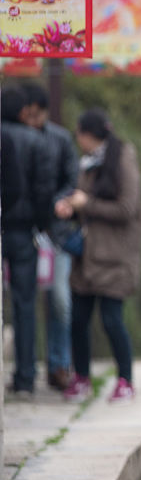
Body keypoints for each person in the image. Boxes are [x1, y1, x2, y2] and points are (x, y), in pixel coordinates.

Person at [55, 108, 141, 404]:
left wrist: (86, 203)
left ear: (88, 135)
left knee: (112, 319)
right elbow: (84, 200)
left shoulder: (122, 158)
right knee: (78, 319)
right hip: (87, 256)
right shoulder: (87, 162)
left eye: (79, 134)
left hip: (114, 257)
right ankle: (81, 378)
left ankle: (126, 381)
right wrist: (71, 207)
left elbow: (128, 208)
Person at [22, 82, 78, 391]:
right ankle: (29, 366)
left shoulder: (61, 139)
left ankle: (59, 364)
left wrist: (60, 201)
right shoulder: (15, 136)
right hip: (24, 231)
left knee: (59, 300)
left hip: (55, 234)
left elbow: (72, 179)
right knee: (25, 301)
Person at [2, 85, 54, 399]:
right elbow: (44, 189)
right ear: (24, 112)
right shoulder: (37, 141)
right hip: (23, 232)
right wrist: (42, 225)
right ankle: (24, 376)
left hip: (2, 227)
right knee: (24, 304)